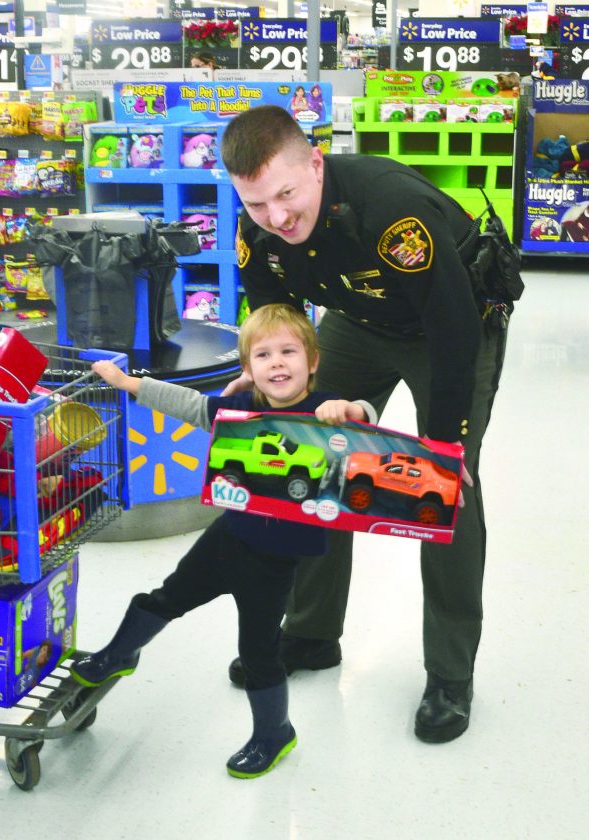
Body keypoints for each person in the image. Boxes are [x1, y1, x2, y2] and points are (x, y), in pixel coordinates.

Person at [220, 104, 514, 744]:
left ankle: (450, 674)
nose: (276, 218)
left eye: (287, 195)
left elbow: (455, 326)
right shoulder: (258, 230)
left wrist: (443, 442)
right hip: (357, 322)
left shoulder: (390, 211)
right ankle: (313, 632)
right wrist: (273, 378)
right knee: (315, 457)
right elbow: (274, 315)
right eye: (256, 204)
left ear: (316, 165)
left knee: (446, 491)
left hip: (454, 324)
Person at [72, 303, 376, 778]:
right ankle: (119, 654)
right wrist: (128, 383)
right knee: (165, 596)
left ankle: (274, 734)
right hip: (227, 538)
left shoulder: (327, 414)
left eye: (289, 352)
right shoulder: (244, 408)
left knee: (258, 653)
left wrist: (352, 408)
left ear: (312, 361)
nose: (277, 362)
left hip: (273, 564)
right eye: (263, 355)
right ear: (248, 369)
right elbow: (190, 404)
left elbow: (366, 429)